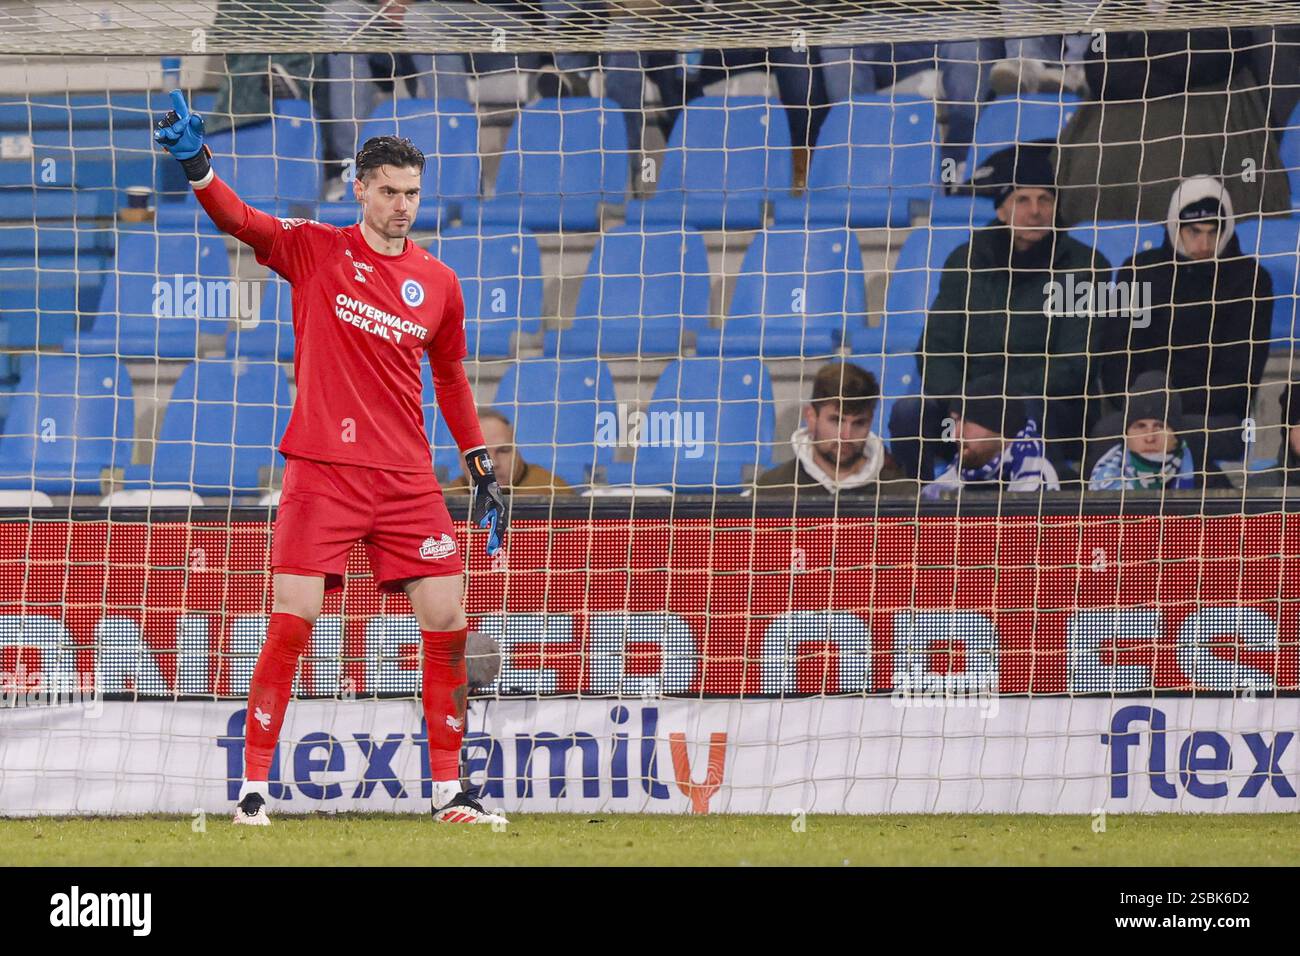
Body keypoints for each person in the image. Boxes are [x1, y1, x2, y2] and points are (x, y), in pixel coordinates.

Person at [155, 91, 509, 826]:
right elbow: (240, 219)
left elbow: (448, 376)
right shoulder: (315, 247)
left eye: (413, 193)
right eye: (389, 192)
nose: (403, 205)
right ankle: (254, 787)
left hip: (408, 478)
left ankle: (451, 792)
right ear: (361, 189)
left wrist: (477, 463)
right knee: (293, 620)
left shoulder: (439, 282)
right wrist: (197, 164)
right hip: (321, 468)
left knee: (448, 620)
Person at [889, 141, 1109, 480]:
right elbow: (935, 349)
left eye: (1044, 200)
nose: (1035, 211)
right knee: (908, 414)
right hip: (964, 415)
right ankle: (920, 510)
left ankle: (1041, 512)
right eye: (1022, 199)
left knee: (1035, 412)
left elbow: (1074, 366)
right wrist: (964, 404)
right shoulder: (966, 261)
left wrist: (995, 401)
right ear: (1002, 209)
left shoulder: (1084, 267)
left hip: (1048, 408)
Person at [1095, 176, 1272, 462]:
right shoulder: (1140, 272)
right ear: (1176, 227)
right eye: (1194, 232)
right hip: (1140, 415)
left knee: (1187, 438)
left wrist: (1170, 413)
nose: (1203, 244)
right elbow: (1117, 359)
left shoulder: (1251, 281)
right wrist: (1147, 411)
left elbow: (1241, 377)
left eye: (1213, 232)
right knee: (1107, 433)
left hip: (1213, 418)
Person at [1054, 14, 1291, 224]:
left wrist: (1139, 48)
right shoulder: (1116, 6)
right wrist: (1153, 76)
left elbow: (1209, 54)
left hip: (1210, 121)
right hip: (1119, 118)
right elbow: (1100, 67)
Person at [752, 362, 907, 500]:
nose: (846, 436)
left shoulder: (901, 494)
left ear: (871, 421)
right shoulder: (771, 490)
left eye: (859, 423)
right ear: (811, 417)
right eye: (837, 420)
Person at [1086, 371, 1229, 490]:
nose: (1150, 438)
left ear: (1175, 435)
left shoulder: (1209, 482)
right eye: (1140, 426)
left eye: (1159, 426)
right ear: (1127, 435)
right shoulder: (1097, 476)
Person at [925, 376, 1060, 495]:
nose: (956, 434)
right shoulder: (947, 482)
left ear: (1000, 428)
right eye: (955, 422)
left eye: (966, 422)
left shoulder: (1037, 471)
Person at [445, 409, 575, 495]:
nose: (493, 463)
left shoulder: (552, 493)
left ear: (517, 452)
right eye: (481, 455)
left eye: (503, 451)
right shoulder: (446, 503)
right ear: (462, 460)